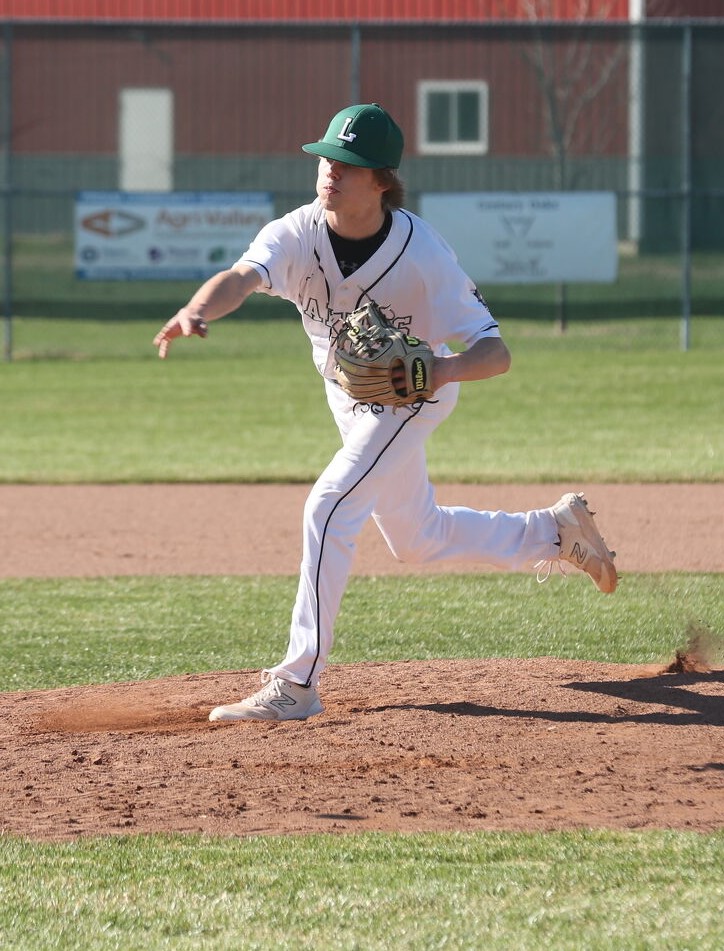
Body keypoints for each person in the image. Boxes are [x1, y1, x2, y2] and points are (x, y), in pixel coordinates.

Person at [153, 103, 617, 723]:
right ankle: (554, 531)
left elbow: (495, 352)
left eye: (347, 163)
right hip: (348, 400)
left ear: (381, 179)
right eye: (326, 157)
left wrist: (442, 368)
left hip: (412, 395)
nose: (330, 172)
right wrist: (198, 310)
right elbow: (240, 276)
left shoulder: (423, 254)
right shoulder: (295, 233)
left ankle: (297, 682)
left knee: (328, 507)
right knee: (417, 540)